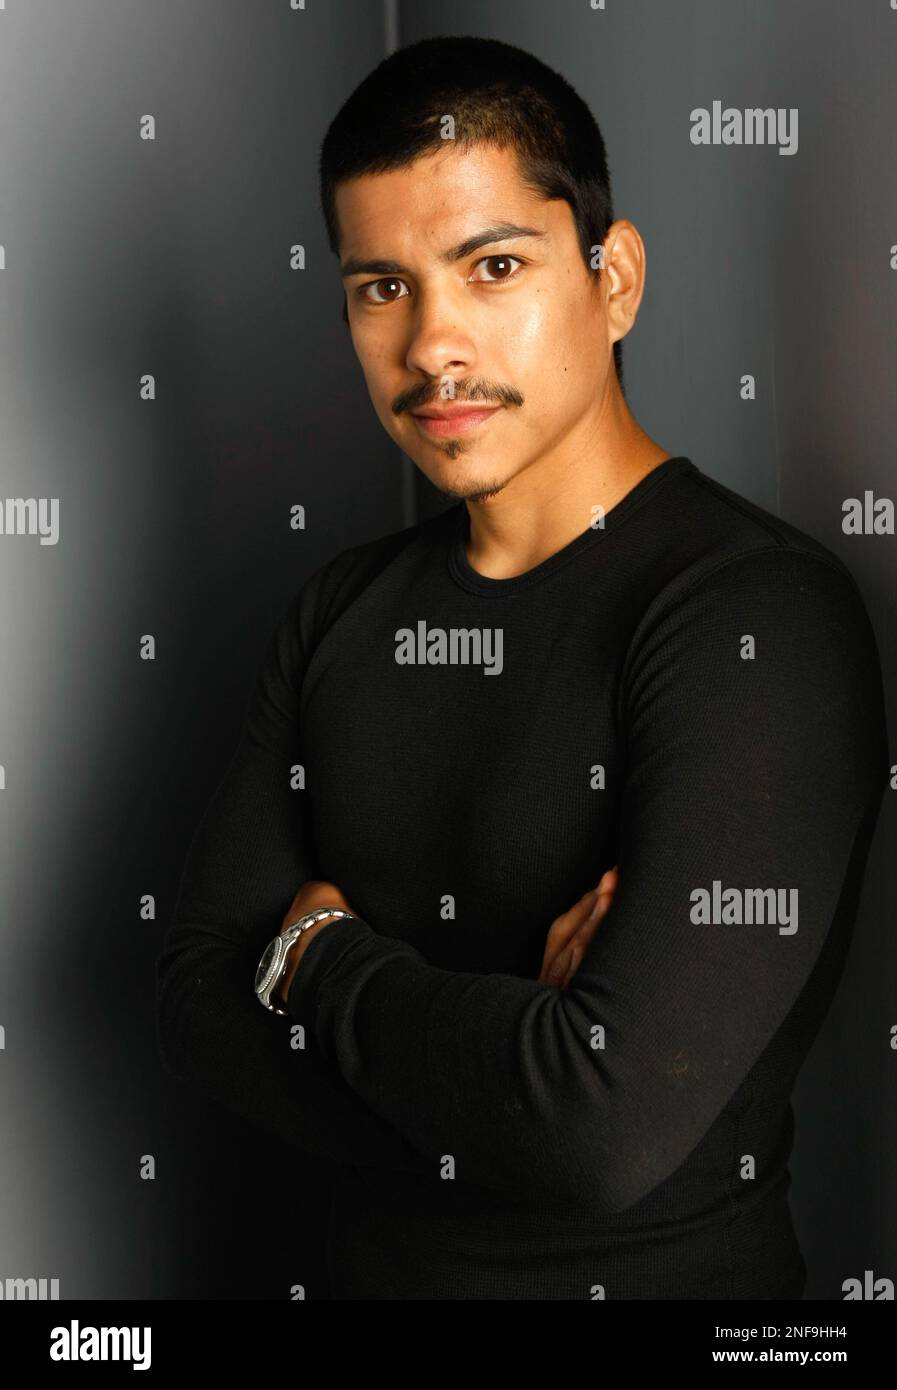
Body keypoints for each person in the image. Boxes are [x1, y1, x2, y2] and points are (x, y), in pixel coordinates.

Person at [155, 35, 889, 1299]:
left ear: (616, 280)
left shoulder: (751, 615)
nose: (434, 345)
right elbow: (193, 991)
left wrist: (320, 957)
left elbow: (596, 1129)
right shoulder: (343, 607)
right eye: (382, 286)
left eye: (493, 267)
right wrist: (507, 1072)